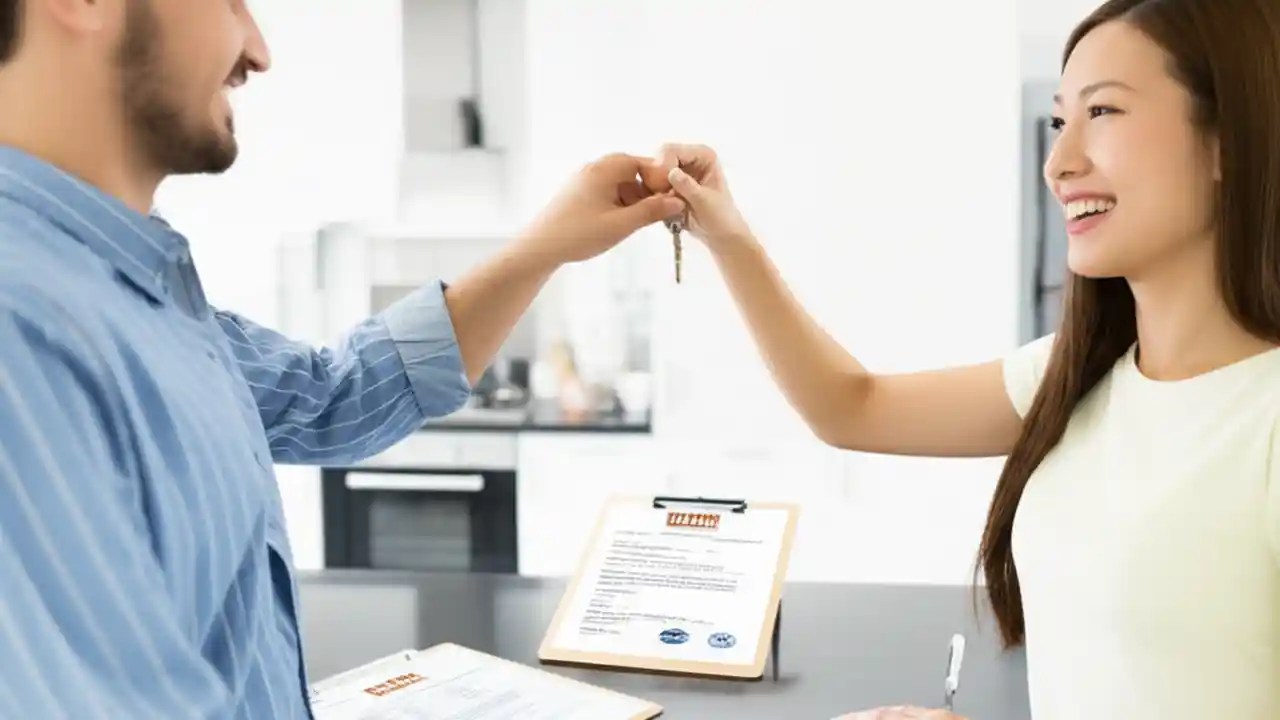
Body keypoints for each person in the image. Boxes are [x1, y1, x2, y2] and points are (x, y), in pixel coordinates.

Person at [0, 0, 684, 717]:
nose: (258, 51)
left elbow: (337, 397)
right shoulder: (25, 328)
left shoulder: (130, 285)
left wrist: (548, 246)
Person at [648, 0, 1280, 717]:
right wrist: (727, 236)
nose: (1059, 163)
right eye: (1058, 120)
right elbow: (849, 406)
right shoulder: (1071, 379)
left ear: (1230, 136)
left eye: (1102, 113)